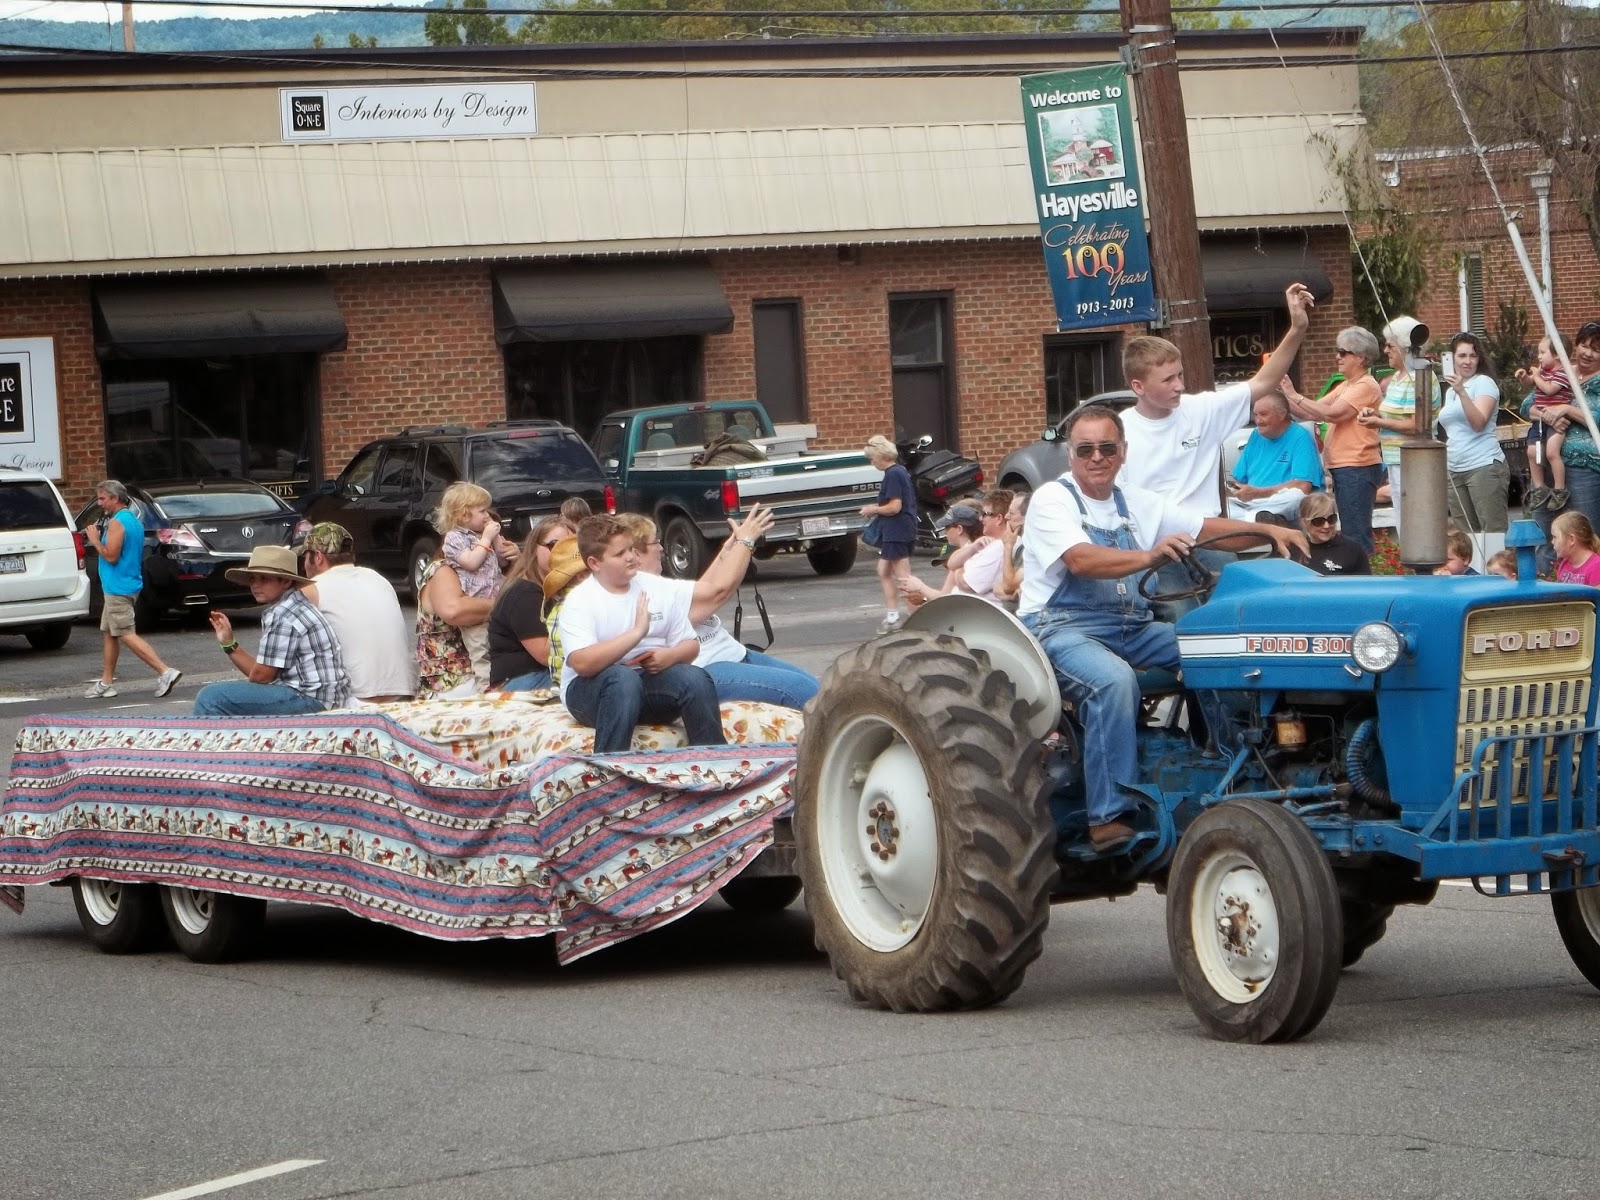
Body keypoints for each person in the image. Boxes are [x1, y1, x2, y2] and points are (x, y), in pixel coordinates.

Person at [1019, 404, 1306, 852]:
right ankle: (1109, 814)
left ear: (1123, 451)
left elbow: (1204, 529)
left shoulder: (1132, 501)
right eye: (1086, 449)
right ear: (1070, 456)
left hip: (1129, 626)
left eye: (1107, 447)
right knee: (1111, 682)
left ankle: (1237, 774)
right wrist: (1150, 557)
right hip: (1061, 627)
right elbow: (1081, 559)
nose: (1097, 457)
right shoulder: (1053, 500)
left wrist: (1269, 533)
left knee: (1215, 651)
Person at [1119, 282, 1316, 515]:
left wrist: (1297, 329)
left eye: (1180, 375)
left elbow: (1263, 382)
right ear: (1138, 386)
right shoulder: (1119, 431)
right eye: (1167, 380)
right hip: (1152, 543)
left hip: (1209, 538)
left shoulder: (1202, 409)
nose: (1179, 386)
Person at [618, 507, 819, 709]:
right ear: (636, 553)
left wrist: (726, 553)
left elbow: (702, 590)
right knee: (805, 692)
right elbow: (718, 592)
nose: (662, 548)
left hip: (733, 654)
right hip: (706, 668)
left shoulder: (656, 584)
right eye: (656, 542)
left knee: (819, 689)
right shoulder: (642, 593)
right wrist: (745, 543)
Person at [556, 515, 727, 754]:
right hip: (590, 693)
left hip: (648, 686)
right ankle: (611, 771)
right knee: (622, 679)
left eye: (631, 549)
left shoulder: (656, 586)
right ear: (595, 563)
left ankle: (715, 763)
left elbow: (691, 646)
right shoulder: (580, 600)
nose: (630, 557)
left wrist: (670, 656)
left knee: (695, 678)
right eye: (619, 554)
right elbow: (583, 664)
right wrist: (637, 633)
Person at [194, 545, 350, 716]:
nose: (256, 585)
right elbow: (263, 675)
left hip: (310, 699)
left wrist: (231, 646)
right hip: (321, 696)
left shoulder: (284, 613)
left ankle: (214, 742)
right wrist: (229, 644)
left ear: (285, 581)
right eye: (253, 579)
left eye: (264, 579)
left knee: (211, 698)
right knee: (224, 695)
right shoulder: (294, 605)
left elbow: (261, 677)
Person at [1282, 326, 1385, 553]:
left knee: (1356, 534)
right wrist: (1277, 391)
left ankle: (1362, 581)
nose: (1338, 356)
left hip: (1357, 466)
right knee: (1349, 531)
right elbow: (1312, 412)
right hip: (1345, 467)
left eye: (1343, 352)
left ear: (1360, 357)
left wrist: (1293, 394)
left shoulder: (1365, 385)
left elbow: (1332, 414)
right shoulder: (1346, 386)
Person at [81, 480, 181, 699]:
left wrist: (95, 540)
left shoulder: (119, 522)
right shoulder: (133, 520)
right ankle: (106, 682)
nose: (100, 503)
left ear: (115, 498)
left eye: (103, 498)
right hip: (122, 584)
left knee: (126, 633)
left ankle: (165, 671)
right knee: (110, 633)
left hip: (119, 586)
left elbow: (111, 555)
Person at [296, 522, 415, 702]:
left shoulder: (314, 588)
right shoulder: (378, 579)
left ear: (318, 557)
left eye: (305, 557)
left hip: (359, 698)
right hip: (404, 692)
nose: (304, 566)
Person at [1521, 321, 1600, 570]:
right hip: (1545, 464)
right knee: (1546, 536)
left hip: (1583, 470)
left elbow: (1597, 418)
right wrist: (1547, 414)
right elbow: (1526, 406)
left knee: (1583, 536)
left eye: (1596, 349)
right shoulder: (1560, 370)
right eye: (1583, 345)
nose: (1587, 352)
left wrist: (1566, 409)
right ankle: (1546, 592)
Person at [437, 481, 514, 689]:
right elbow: (471, 563)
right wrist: (486, 539)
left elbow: (503, 560)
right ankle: (485, 691)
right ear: (463, 515)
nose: (487, 515)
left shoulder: (483, 535)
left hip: (495, 599)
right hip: (476, 608)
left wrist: (496, 538)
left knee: (500, 650)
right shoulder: (454, 538)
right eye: (482, 511)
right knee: (481, 654)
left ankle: (502, 686)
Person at [486, 515, 572, 692]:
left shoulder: (566, 588)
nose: (562, 552)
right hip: (521, 680)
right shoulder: (524, 592)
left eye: (570, 545)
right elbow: (545, 654)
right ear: (534, 549)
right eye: (553, 544)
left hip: (545, 673)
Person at [1437, 331, 1509, 536]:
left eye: (1473, 356)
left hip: (1483, 465)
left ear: (1479, 359)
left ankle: (1498, 570)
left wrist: (1462, 392)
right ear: (1452, 359)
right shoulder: (1450, 391)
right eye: (1462, 356)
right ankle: (1474, 570)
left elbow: (1478, 422)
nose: (1467, 361)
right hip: (1454, 468)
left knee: (1493, 534)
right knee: (1466, 537)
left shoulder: (1483, 383)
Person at [1358, 315, 1423, 539]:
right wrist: (1374, 414)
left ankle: (1420, 571)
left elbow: (1418, 425)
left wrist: (1379, 422)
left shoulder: (1420, 378)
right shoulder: (1396, 378)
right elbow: (1393, 416)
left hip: (1412, 460)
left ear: (1405, 348)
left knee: (1414, 521)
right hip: (1394, 459)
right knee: (1401, 520)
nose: (1386, 350)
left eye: (1390, 345)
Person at [1225, 393, 1324, 522]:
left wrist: (1258, 493)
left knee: (1296, 496)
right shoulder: (1256, 435)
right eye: (1255, 415)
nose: (1258, 420)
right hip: (1251, 504)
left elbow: (1302, 486)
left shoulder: (1300, 436)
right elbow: (1238, 479)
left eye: (1263, 414)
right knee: (1216, 504)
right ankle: (1256, 518)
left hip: (1280, 503)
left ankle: (1254, 519)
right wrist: (1236, 490)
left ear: (1282, 414)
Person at [415, 550, 494, 699]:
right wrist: (506, 603)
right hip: (455, 682)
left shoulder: (490, 570)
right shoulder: (443, 570)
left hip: (481, 677)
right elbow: (453, 611)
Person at [899, 502, 1008, 608]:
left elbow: (945, 597)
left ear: (959, 529)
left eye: (947, 527)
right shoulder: (976, 549)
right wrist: (924, 598)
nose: (945, 532)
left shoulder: (966, 555)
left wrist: (919, 586)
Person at [861, 434, 918, 631]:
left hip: (898, 529)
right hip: (895, 529)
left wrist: (873, 509)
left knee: (904, 577)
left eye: (872, 458)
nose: (872, 462)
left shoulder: (893, 474)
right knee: (884, 570)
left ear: (880, 455)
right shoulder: (898, 472)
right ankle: (893, 614)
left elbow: (895, 507)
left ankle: (915, 617)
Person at [1517, 335, 1574, 510]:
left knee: (1551, 452)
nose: (1539, 356)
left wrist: (1537, 376)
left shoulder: (1563, 374)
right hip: (1540, 422)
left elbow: (1549, 390)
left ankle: (1559, 489)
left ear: (1557, 355)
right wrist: (1525, 377)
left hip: (1556, 422)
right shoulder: (1544, 373)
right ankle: (1539, 487)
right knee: (1532, 452)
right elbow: (1531, 384)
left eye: (1543, 352)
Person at [1296, 492, 1369, 577]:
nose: (1326, 526)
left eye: (1331, 519)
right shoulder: (1294, 551)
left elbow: (1365, 586)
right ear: (1304, 522)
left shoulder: (1353, 550)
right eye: (1318, 521)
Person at [995, 490, 1028, 605]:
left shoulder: (1032, 549)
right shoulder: (1022, 548)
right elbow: (998, 587)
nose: (1006, 516)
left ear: (1026, 518)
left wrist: (1008, 546)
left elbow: (1008, 586)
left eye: (1011, 513)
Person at [1552, 510, 1600, 586]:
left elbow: (1596, 597)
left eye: (1555, 537)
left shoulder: (1597, 567)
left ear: (1571, 539)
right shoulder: (1565, 563)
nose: (1552, 542)